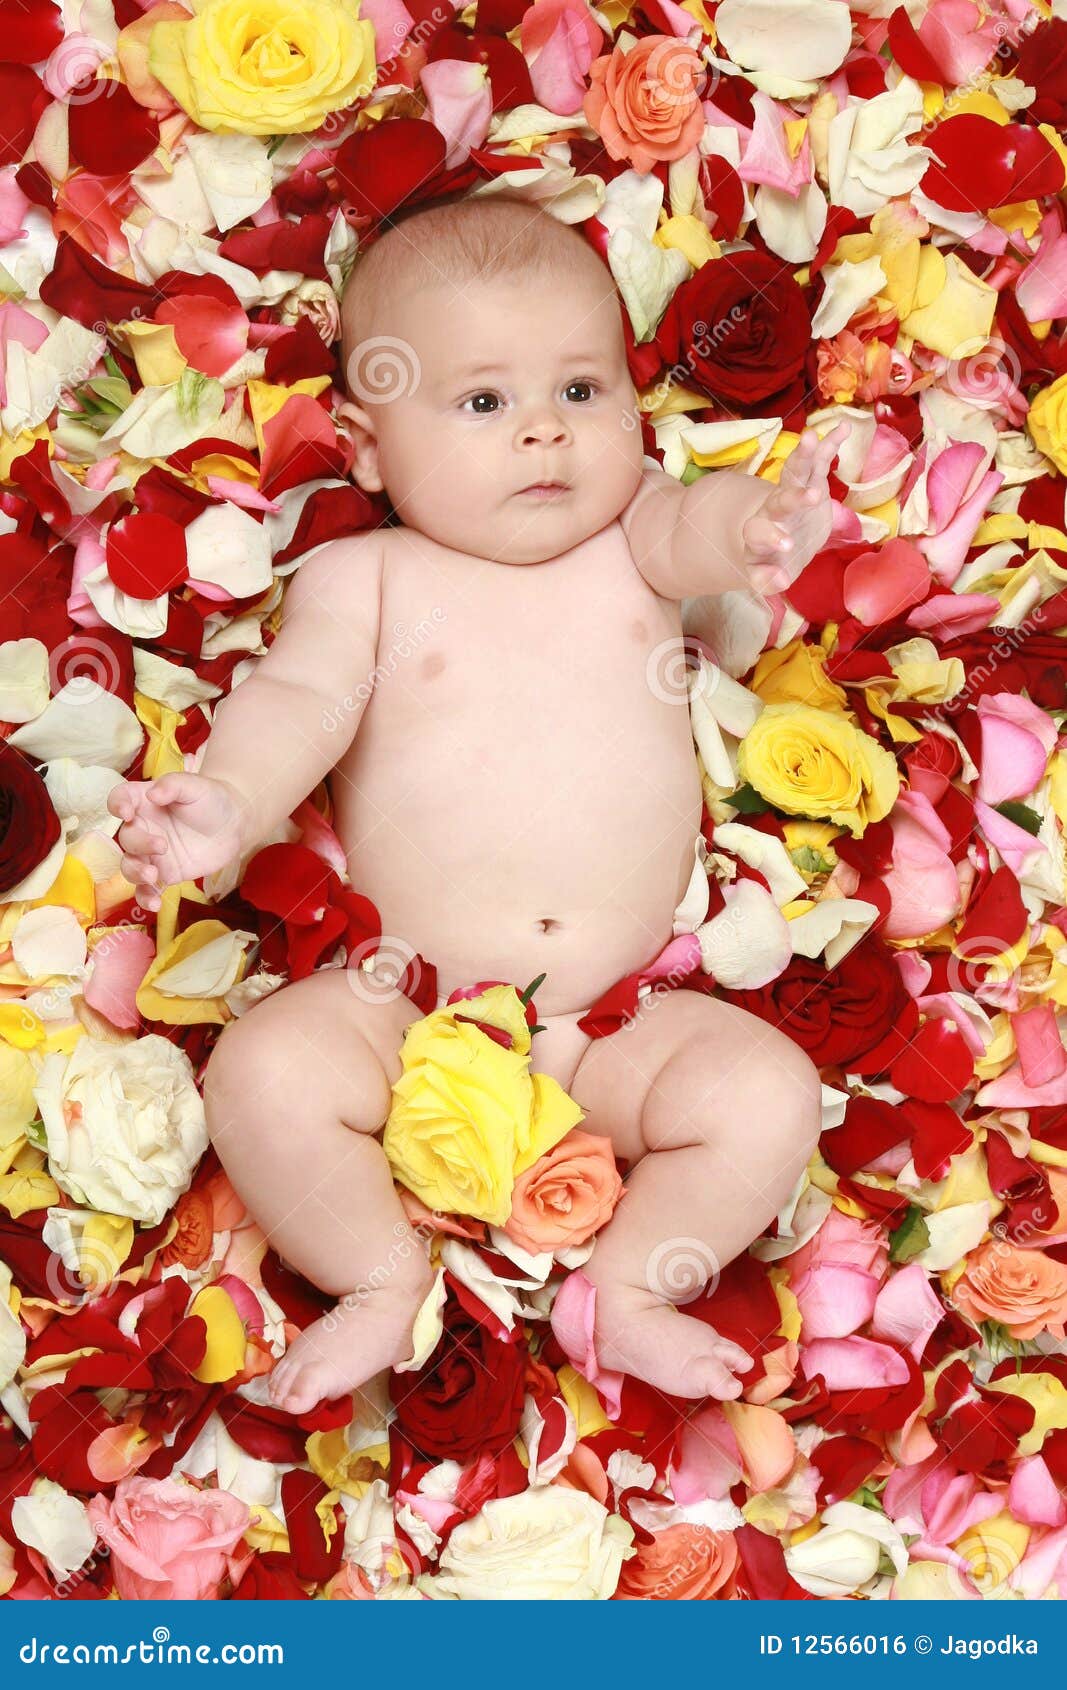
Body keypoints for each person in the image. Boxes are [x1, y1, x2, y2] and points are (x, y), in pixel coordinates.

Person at [108, 193, 849, 1415]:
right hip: (409, 1012)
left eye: (580, 391)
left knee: (766, 1093)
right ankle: (376, 1277)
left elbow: (693, 527)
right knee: (266, 1070)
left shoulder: (629, 542)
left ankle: (631, 1289)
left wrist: (758, 524)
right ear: (364, 448)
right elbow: (299, 695)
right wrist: (231, 800)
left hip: (613, 1028)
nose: (544, 438)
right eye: (483, 402)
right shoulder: (370, 577)